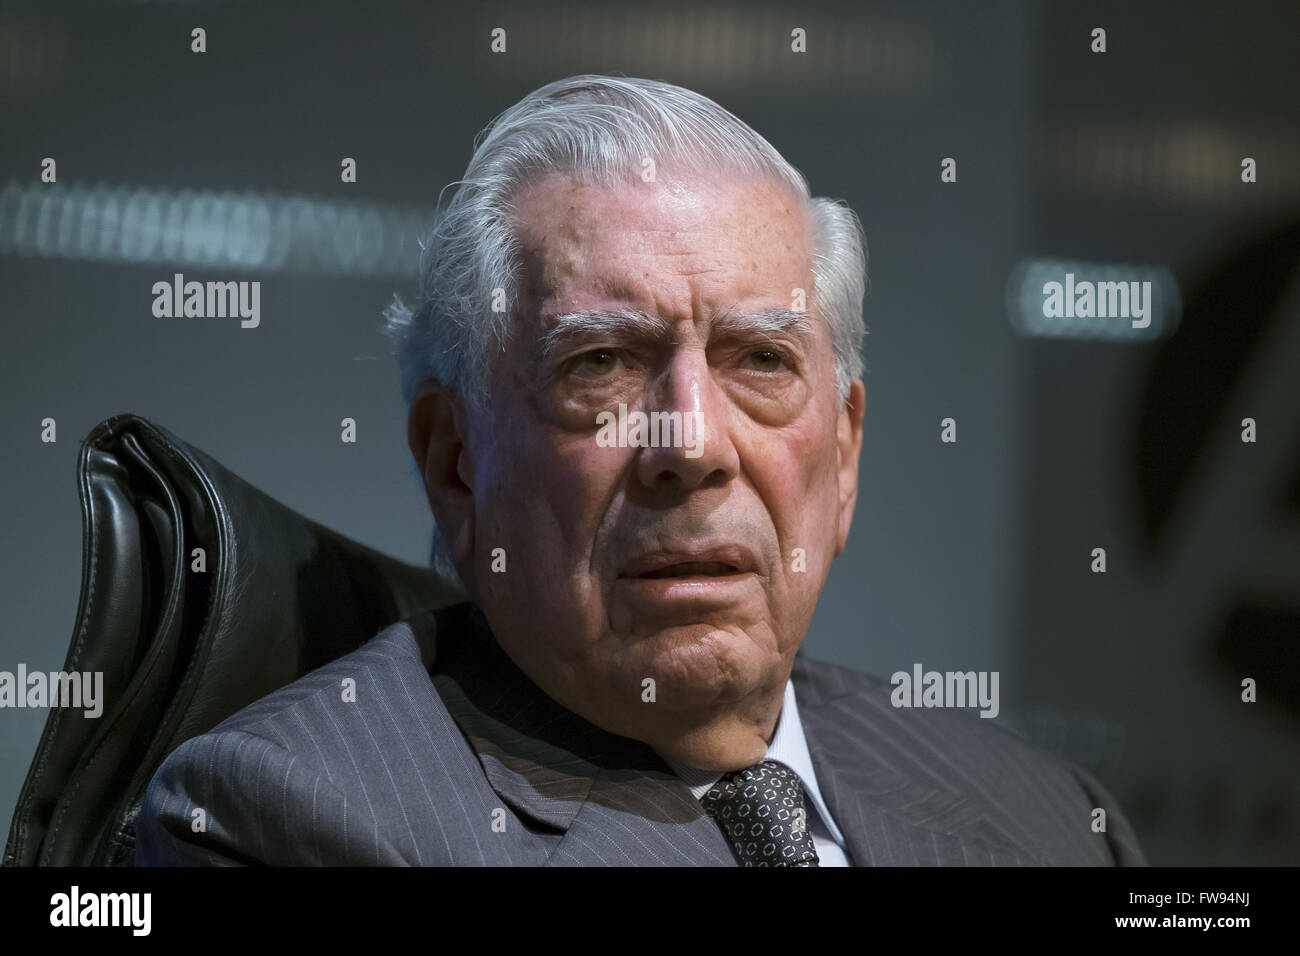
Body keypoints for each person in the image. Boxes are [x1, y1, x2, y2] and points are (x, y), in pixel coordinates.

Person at [135, 75, 1145, 867]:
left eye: (760, 359)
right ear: (454, 461)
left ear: (843, 454)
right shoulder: (289, 818)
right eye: (602, 362)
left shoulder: (1055, 815)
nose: (693, 444)